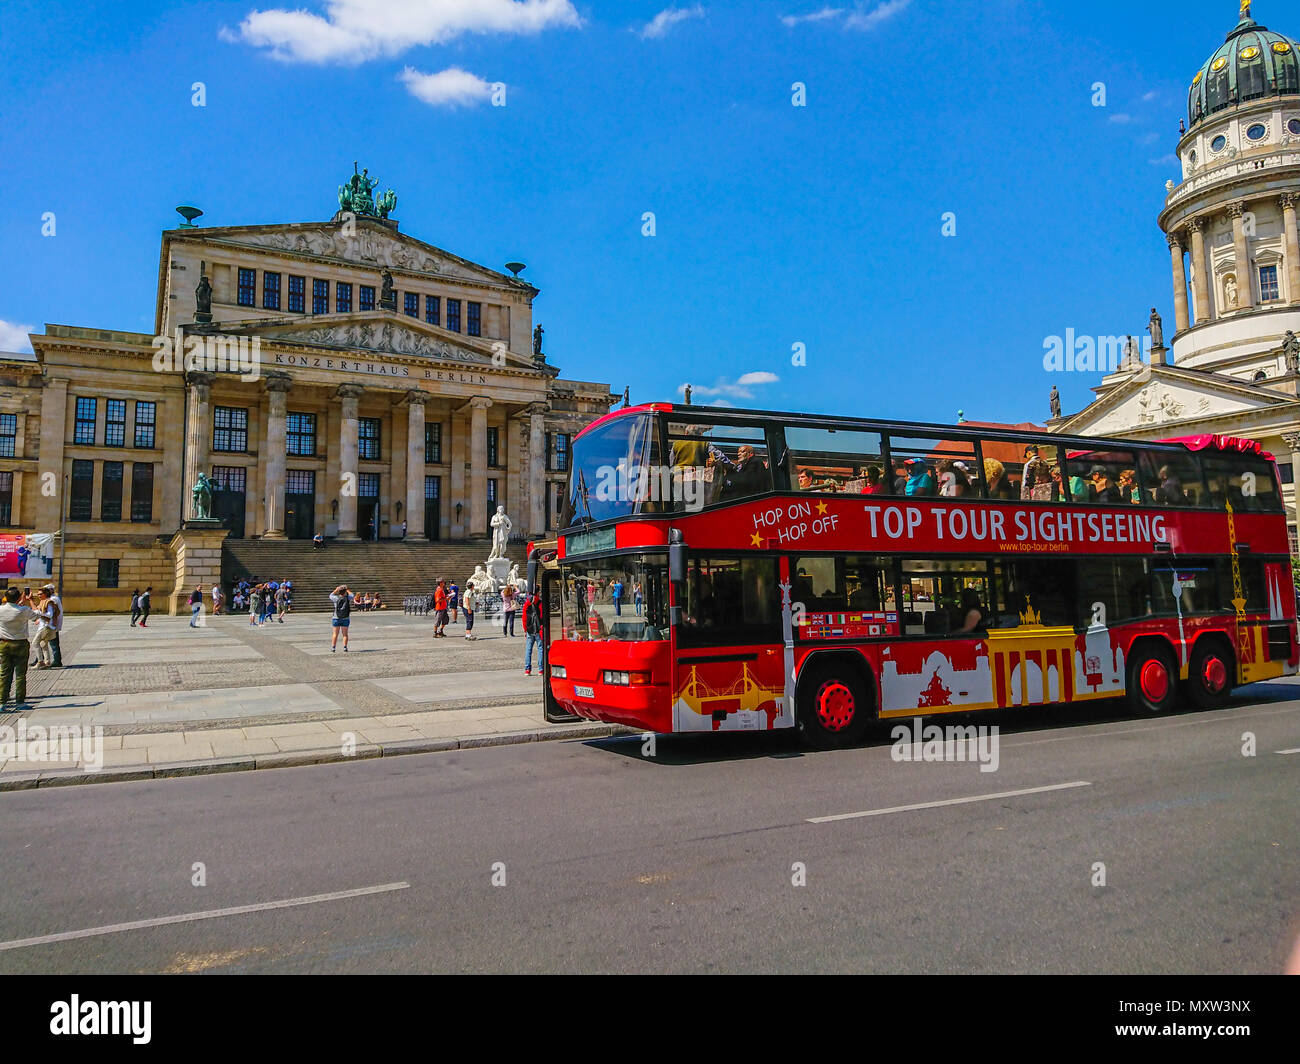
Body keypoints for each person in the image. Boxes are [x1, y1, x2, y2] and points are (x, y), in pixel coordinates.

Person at [0, 587, 40, 707]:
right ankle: (20, 701)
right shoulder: (23, 610)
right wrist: (28, 601)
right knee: (20, 674)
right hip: (20, 643)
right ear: (19, 597)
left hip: (4, 643)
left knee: (4, 673)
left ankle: (2, 701)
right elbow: (36, 615)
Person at [31, 588, 57, 669]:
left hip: (46, 626)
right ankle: (47, 662)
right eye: (38, 594)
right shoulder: (43, 602)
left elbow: (50, 615)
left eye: (40, 594)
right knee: (43, 644)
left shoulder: (48, 602)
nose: (39, 595)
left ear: (45, 594)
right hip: (44, 625)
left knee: (35, 643)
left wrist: (39, 613)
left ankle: (40, 662)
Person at [523, 589, 545, 675]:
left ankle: (527, 669)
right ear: (537, 593)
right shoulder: (540, 603)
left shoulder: (527, 603)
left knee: (528, 650)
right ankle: (541, 669)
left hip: (529, 629)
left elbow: (524, 618)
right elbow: (542, 616)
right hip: (539, 629)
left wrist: (525, 629)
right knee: (540, 649)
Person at [44, 584, 63, 666]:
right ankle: (39, 659)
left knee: (53, 643)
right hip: (51, 625)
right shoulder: (53, 599)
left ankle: (57, 661)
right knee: (43, 642)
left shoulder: (53, 599)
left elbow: (53, 613)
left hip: (52, 625)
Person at [330, 584, 352, 651]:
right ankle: (345, 647)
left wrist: (336, 589)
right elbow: (352, 595)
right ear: (345, 591)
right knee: (345, 634)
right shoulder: (348, 598)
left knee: (335, 634)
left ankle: (333, 647)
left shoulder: (336, 598)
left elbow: (330, 595)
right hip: (345, 617)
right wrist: (347, 589)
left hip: (336, 617)